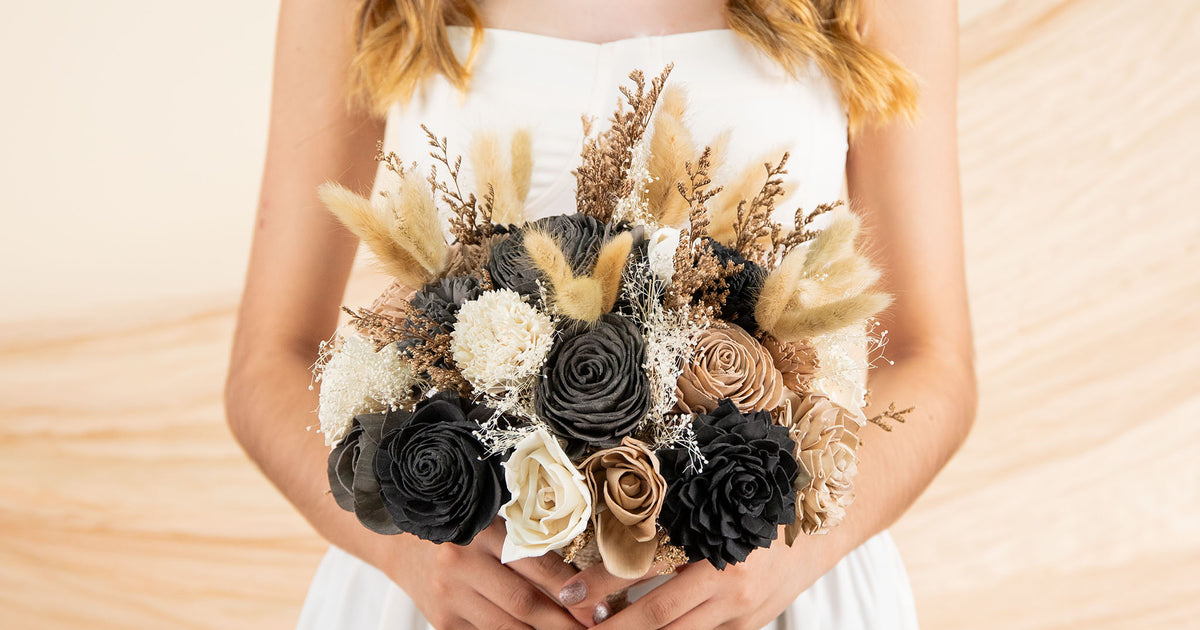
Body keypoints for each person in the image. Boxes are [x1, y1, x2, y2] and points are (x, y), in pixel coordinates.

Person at [224, 0, 977, 628]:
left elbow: (933, 361)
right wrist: (406, 551)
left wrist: (791, 550)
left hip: (771, 596)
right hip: (454, 601)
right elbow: (268, 362)